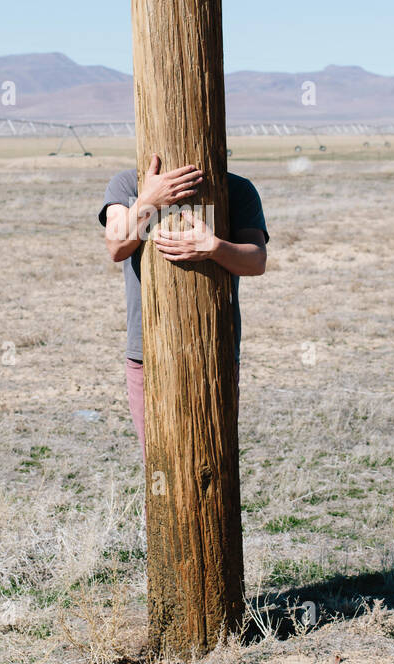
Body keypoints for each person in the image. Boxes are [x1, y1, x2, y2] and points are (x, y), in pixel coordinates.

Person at [99, 154, 269, 454]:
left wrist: (214, 248)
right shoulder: (126, 184)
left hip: (216, 347)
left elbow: (256, 261)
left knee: (214, 453)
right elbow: (116, 246)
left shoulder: (237, 189)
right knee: (158, 455)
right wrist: (149, 200)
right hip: (147, 352)